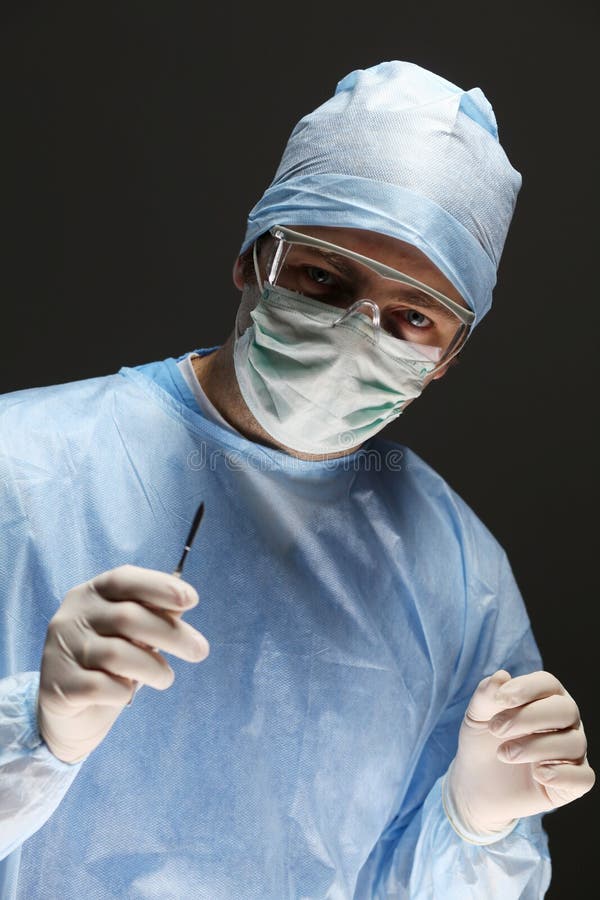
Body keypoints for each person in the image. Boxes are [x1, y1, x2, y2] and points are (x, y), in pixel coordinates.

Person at [0, 60, 594, 899]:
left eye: (411, 317)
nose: (356, 335)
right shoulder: (20, 466)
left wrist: (477, 827)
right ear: (252, 258)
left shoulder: (456, 577)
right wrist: (32, 730)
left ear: (447, 359)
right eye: (323, 278)